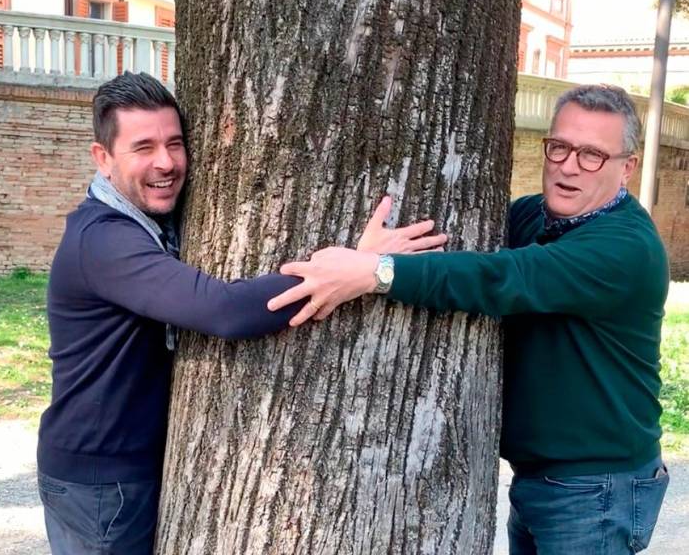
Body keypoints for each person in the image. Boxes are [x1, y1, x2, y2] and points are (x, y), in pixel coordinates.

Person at [37, 71, 446, 555]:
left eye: (175, 143)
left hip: (109, 471)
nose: (166, 162)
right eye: (143, 148)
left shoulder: (141, 222)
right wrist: (346, 269)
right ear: (103, 159)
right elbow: (224, 310)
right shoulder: (104, 239)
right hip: (102, 481)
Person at [269, 84, 671, 555]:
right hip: (549, 479)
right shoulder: (535, 217)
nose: (567, 165)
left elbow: (501, 277)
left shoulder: (623, 248)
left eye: (591, 155)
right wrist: (377, 250)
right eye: (559, 146)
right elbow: (456, 245)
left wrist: (372, 273)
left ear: (628, 166)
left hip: (597, 487)